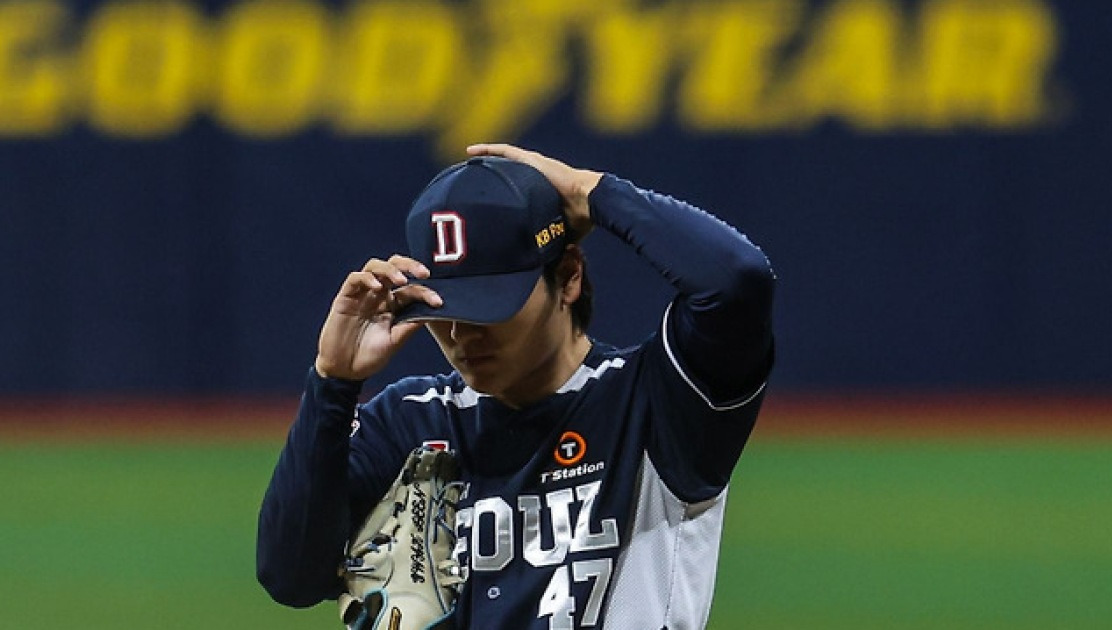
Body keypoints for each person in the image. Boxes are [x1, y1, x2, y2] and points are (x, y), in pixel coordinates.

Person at [256, 143, 776, 629]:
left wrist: (590, 193)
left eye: (489, 308)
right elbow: (290, 577)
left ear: (568, 276)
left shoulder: (658, 402)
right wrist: (333, 382)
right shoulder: (409, 421)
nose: (462, 335)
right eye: (445, 310)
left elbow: (735, 279)